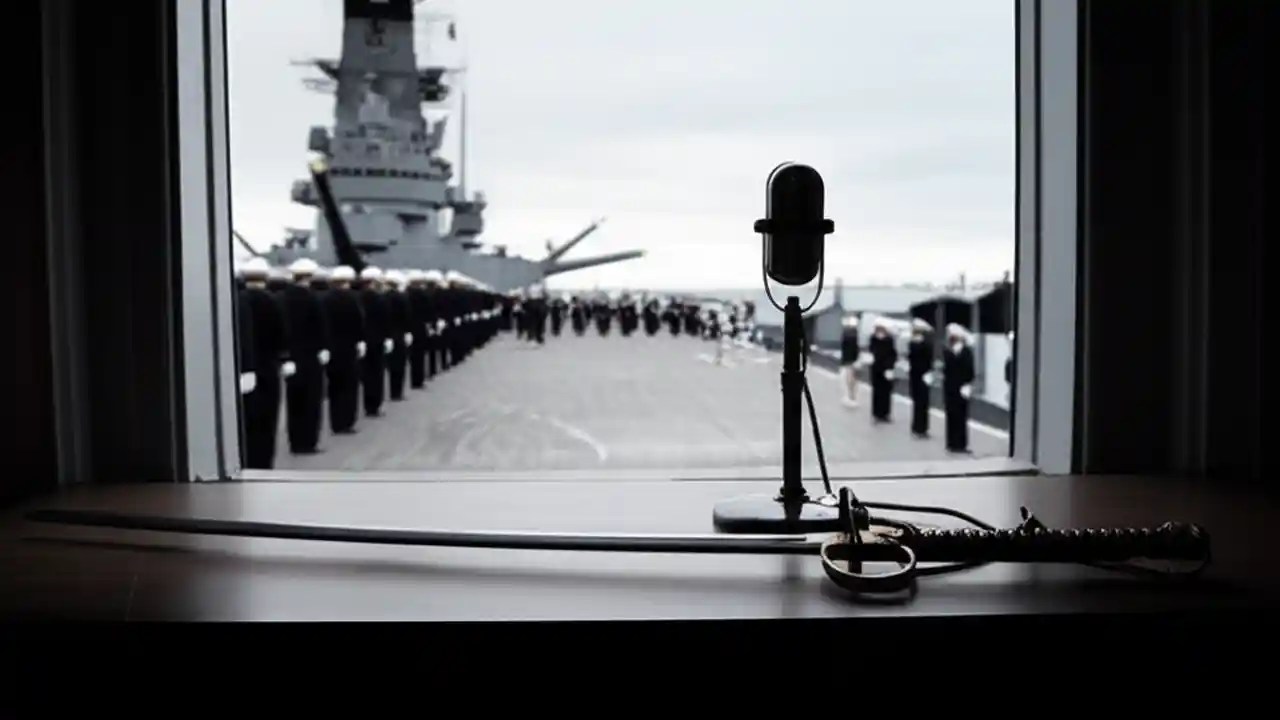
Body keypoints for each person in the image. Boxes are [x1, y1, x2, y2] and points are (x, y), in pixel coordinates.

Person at [237, 258, 292, 469]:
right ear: (266, 277)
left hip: (242, 366)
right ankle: (264, 462)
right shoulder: (274, 301)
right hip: (268, 366)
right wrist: (285, 358)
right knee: (267, 420)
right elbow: (282, 333)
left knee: (246, 418)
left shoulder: (237, 300)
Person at [280, 258, 331, 455]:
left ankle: (295, 442)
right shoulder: (313, 299)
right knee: (311, 401)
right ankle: (308, 442)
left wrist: (284, 355)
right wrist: (324, 348)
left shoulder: (282, 297)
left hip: (292, 356)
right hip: (310, 357)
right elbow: (320, 326)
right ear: (309, 277)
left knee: (294, 401)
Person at [321, 265, 365, 434]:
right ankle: (346, 422)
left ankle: (335, 423)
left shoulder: (325, 299)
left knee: (334, 387)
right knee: (349, 387)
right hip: (348, 347)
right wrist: (360, 341)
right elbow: (359, 321)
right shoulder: (352, 299)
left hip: (332, 348)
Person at [358, 266, 391, 417]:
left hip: (362, 340)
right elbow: (385, 320)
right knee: (376, 374)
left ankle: (366, 404)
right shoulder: (380, 299)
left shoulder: (357, 297)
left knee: (365, 374)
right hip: (377, 340)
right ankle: (373, 406)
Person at [943, 323, 976, 453]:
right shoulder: (947, 351)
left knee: (961, 416)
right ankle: (951, 443)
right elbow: (946, 370)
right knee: (951, 415)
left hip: (962, 387)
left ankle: (961, 444)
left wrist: (968, 383)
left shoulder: (967, 351)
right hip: (950, 387)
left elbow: (970, 369)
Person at [383, 270, 411, 401]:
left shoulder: (382, 297)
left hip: (386, 333)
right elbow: (406, 316)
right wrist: (407, 332)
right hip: (399, 333)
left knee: (387, 364)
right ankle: (396, 392)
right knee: (399, 365)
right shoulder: (401, 298)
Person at [907, 318, 934, 438]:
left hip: (918, 375)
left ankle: (918, 427)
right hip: (922, 375)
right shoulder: (922, 343)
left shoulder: (914, 343)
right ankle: (920, 428)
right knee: (921, 402)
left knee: (919, 402)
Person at [868, 318, 897, 422]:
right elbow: (871, 350)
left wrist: (890, 367)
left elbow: (892, 354)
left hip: (886, 369)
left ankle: (885, 413)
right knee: (876, 392)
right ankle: (876, 413)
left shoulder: (889, 340)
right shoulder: (873, 338)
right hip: (876, 368)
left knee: (886, 392)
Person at [839, 315, 860, 407]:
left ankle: (851, 397)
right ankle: (852, 397)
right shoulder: (854, 334)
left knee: (849, 380)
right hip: (851, 360)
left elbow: (849, 350)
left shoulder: (848, 335)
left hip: (849, 361)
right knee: (852, 380)